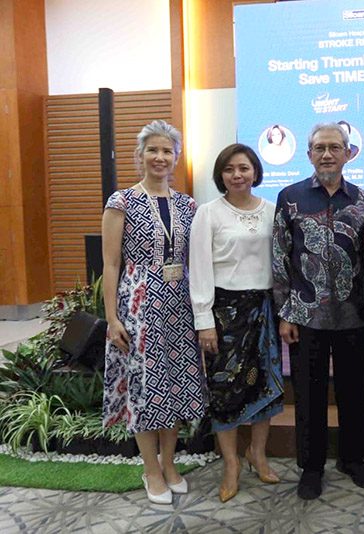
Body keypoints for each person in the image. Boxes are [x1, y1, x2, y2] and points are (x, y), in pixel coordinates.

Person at [272, 122, 364, 500]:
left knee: (354, 390)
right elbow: (279, 257)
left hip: (354, 315)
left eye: (335, 147)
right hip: (305, 316)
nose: (326, 154)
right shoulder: (290, 197)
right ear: (308, 155)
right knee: (308, 394)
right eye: (319, 148)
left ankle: (353, 458)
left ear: (348, 153)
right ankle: (312, 466)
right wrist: (284, 312)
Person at [102, 120, 206, 505]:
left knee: (174, 384)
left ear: (176, 158)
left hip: (179, 305)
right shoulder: (121, 202)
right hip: (139, 305)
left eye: (167, 151)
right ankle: (150, 469)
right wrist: (112, 318)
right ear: (140, 155)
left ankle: (169, 463)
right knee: (146, 388)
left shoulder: (188, 205)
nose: (160, 157)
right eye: (153, 150)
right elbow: (111, 263)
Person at [189, 143, 284, 503]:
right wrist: (204, 321)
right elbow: (199, 269)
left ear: (255, 171)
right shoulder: (208, 214)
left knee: (265, 386)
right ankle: (231, 463)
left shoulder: (272, 211)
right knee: (224, 389)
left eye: (243, 168)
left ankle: (257, 453)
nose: (237, 175)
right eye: (229, 169)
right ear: (220, 175)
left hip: (264, 310)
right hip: (224, 313)